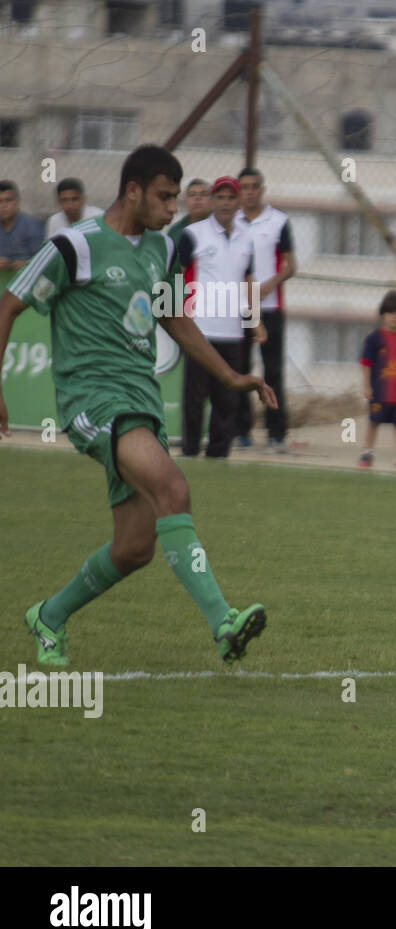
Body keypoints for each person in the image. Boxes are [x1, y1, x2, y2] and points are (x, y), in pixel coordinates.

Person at [0, 144, 275, 667]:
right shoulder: (74, 246)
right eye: (165, 197)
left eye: (176, 198)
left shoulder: (162, 250)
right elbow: (10, 303)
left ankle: (49, 616)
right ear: (133, 191)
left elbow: (174, 318)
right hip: (92, 399)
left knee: (134, 548)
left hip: (139, 399)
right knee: (174, 488)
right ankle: (223, 622)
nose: (173, 208)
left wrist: (230, 374)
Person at [176, 176, 263, 459]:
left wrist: (255, 320)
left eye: (231, 198)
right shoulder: (194, 234)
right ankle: (189, 451)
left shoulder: (247, 238)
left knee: (228, 398)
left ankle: (218, 455)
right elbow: (175, 272)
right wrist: (172, 314)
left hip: (233, 331)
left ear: (239, 203)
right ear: (213, 201)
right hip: (200, 328)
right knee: (195, 397)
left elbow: (248, 280)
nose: (226, 204)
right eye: (221, 198)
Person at [234, 167, 295, 452]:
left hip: (270, 308)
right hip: (239, 308)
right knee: (239, 370)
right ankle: (240, 431)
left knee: (273, 371)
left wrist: (270, 284)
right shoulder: (229, 221)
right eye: (244, 187)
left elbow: (291, 265)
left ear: (262, 190)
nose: (249, 192)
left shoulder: (279, 221)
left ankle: (276, 433)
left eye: (254, 187)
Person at [359, 290, 396, 471]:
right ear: (383, 314)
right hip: (379, 391)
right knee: (373, 422)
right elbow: (366, 363)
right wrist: (367, 385)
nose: (394, 317)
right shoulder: (374, 339)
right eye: (391, 313)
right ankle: (367, 454)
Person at [0, 180, 44, 276]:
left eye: (8, 200)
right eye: (0, 201)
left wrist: (26, 264)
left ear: (17, 201)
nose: (3, 206)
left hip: (26, 279)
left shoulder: (33, 225)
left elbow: (43, 262)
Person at [167, 179, 211, 244]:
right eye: (192, 195)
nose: (198, 198)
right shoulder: (176, 231)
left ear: (212, 200)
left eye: (203, 194)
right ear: (185, 201)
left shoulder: (220, 226)